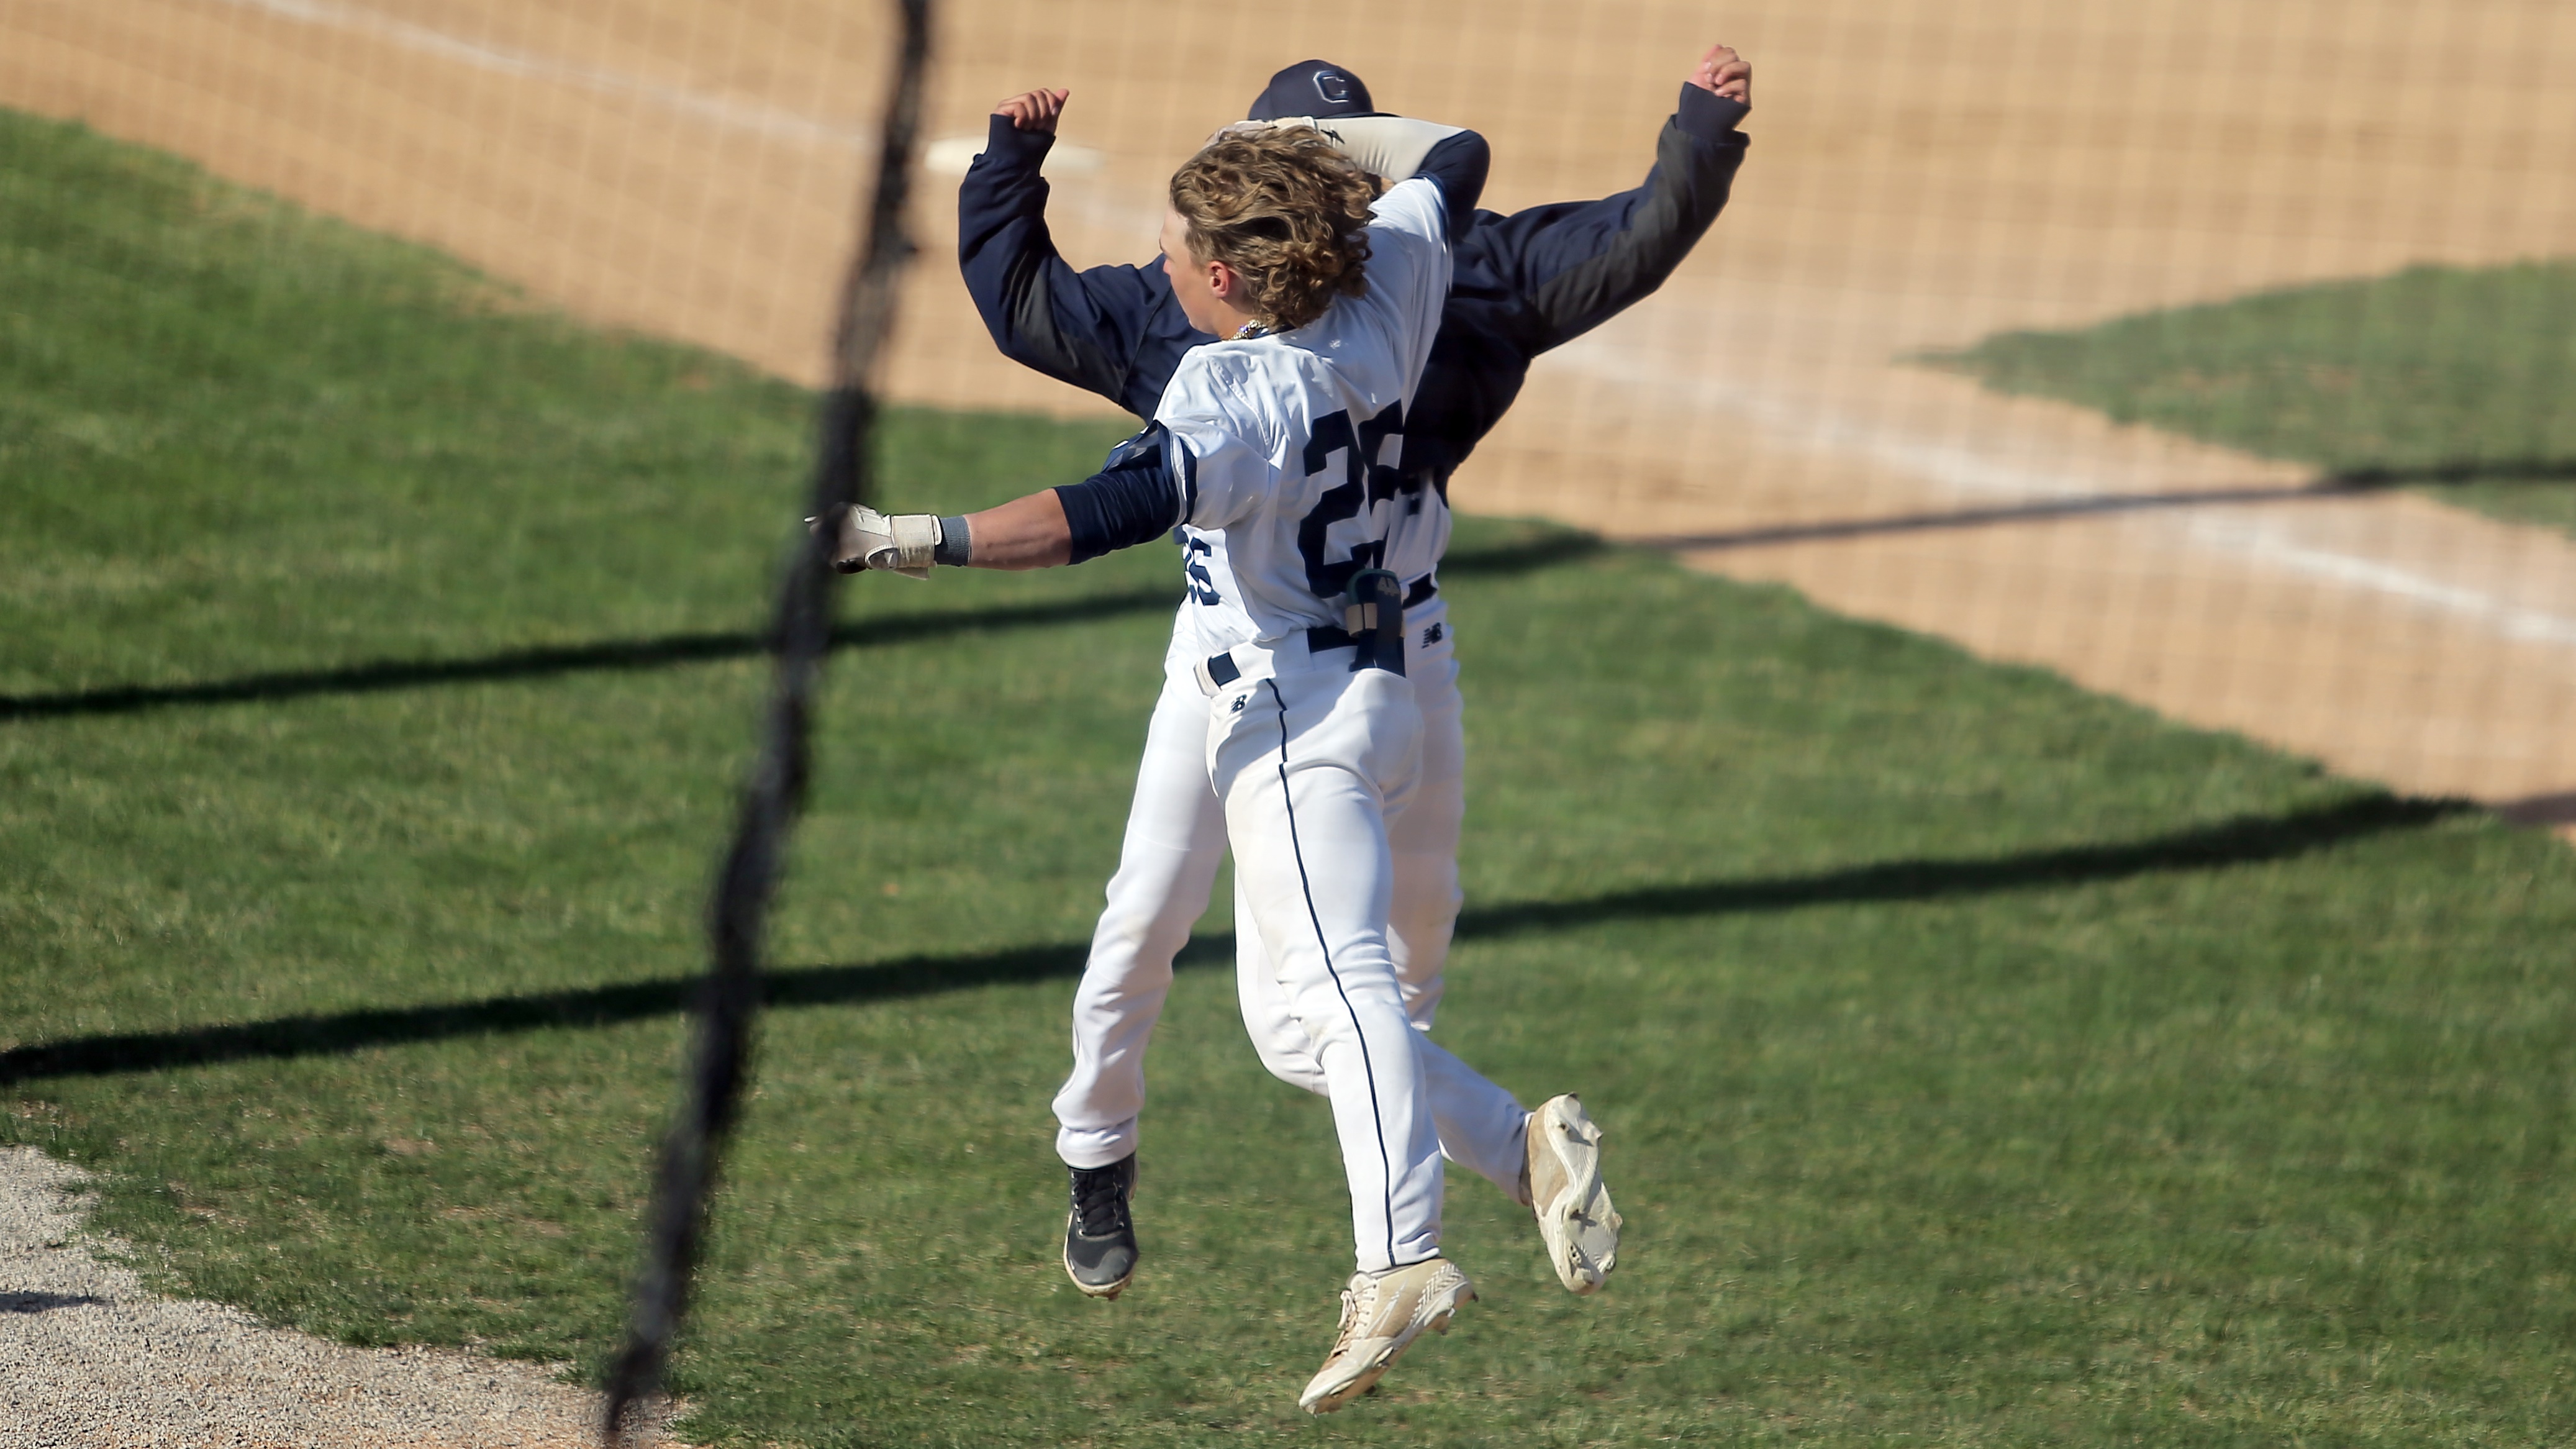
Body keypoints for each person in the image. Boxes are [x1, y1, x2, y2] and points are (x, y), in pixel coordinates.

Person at [956, 50, 1751, 1310]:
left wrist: (1699, 139)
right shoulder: (1217, 308)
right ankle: (1098, 1155)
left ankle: (1459, 1153)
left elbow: (1628, 241)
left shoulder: (1448, 274)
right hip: (1235, 667)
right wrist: (1008, 167)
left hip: (1396, 662)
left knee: (1403, 966)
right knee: (1139, 933)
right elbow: (1024, 305)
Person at [824, 115, 1485, 1412]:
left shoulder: (1232, 396)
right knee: (1311, 989)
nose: (1162, 262)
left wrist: (908, 538)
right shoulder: (1394, 277)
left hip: (1290, 718)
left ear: (1228, 279)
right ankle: (1492, 1176)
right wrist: (1301, 146)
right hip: (1377, 687)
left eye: (1176, 248)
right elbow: (1451, 155)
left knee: (1337, 997)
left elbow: (1092, 518)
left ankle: (1400, 1258)